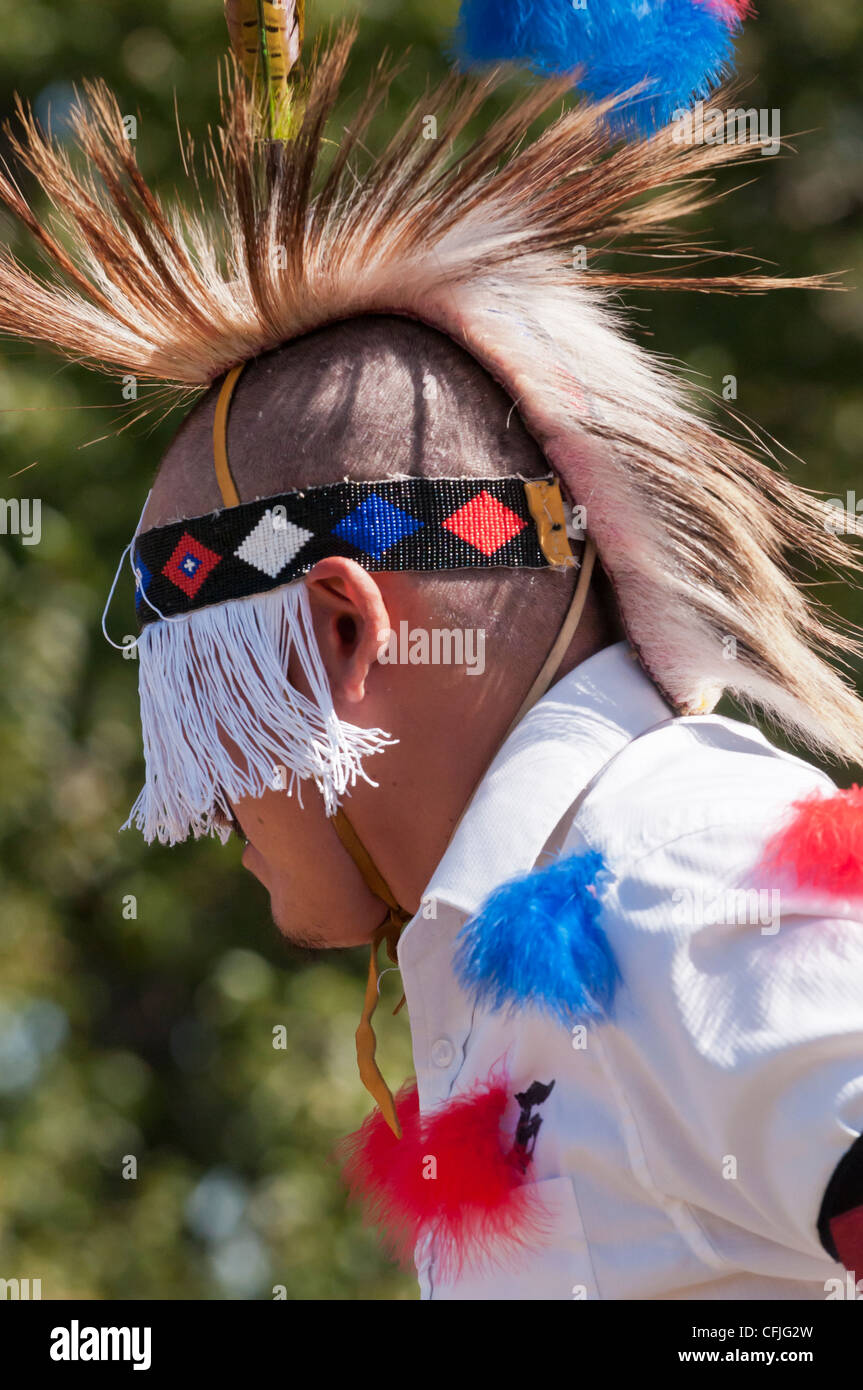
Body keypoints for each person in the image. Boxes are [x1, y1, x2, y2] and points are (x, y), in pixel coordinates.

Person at [2, 9, 863, 1300]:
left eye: (203, 707)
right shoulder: (554, 944)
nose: (202, 809)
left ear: (343, 633)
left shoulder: (686, 878)